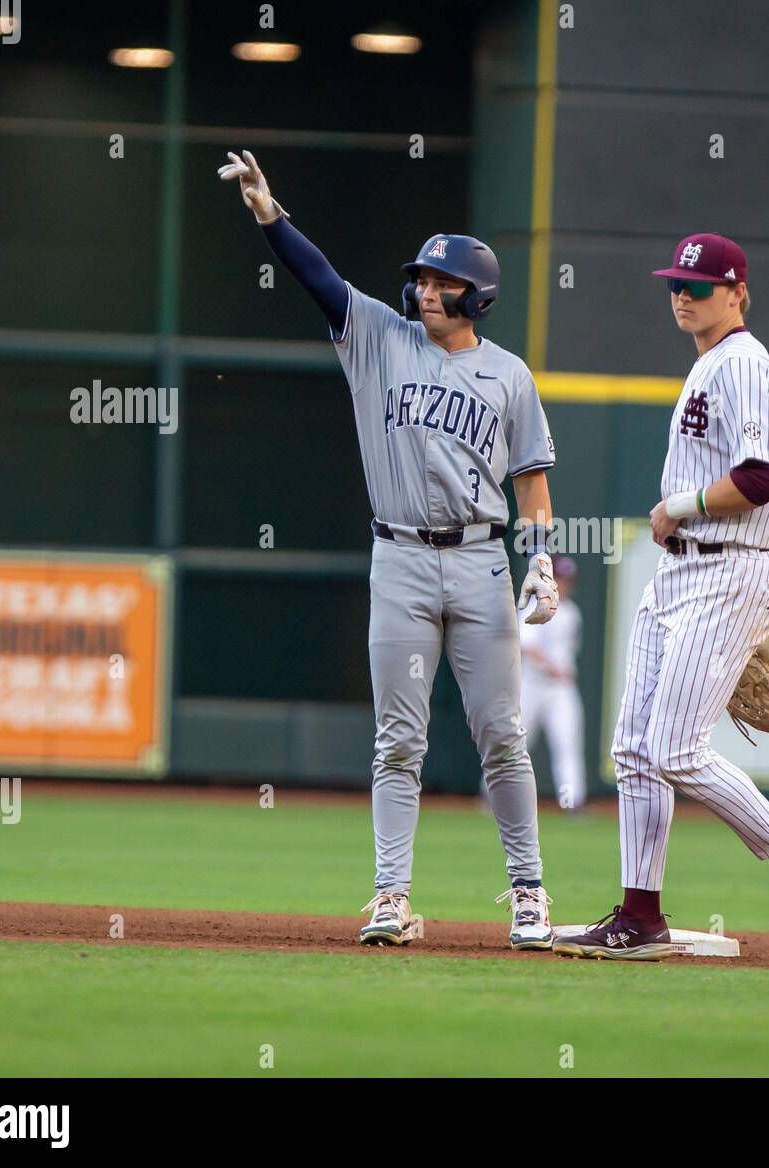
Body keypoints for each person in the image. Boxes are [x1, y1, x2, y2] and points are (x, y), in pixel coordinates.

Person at [218, 150, 559, 950]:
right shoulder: (379, 335)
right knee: (398, 739)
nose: (427, 290)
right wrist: (273, 214)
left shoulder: (509, 377)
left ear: (477, 295)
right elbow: (321, 279)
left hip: (481, 563)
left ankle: (529, 894)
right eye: (423, 279)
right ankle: (390, 897)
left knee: (502, 735)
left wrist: (539, 560)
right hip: (400, 559)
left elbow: (532, 484)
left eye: (442, 282)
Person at [553, 233, 769, 962]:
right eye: (675, 285)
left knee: (678, 750)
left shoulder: (745, 364)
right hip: (682, 574)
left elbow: (761, 479)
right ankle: (639, 916)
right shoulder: (710, 364)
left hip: (729, 566)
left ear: (737, 292)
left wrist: (677, 505)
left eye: (699, 285)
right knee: (634, 749)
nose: (682, 296)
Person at [518, 555, 586, 811]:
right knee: (515, 743)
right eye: (561, 578)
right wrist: (552, 668)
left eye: (568, 580)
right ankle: (493, 796)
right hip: (532, 685)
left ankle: (572, 802)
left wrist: (560, 672)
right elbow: (527, 647)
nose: (565, 584)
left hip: (560, 689)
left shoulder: (571, 613)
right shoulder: (534, 604)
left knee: (567, 743)